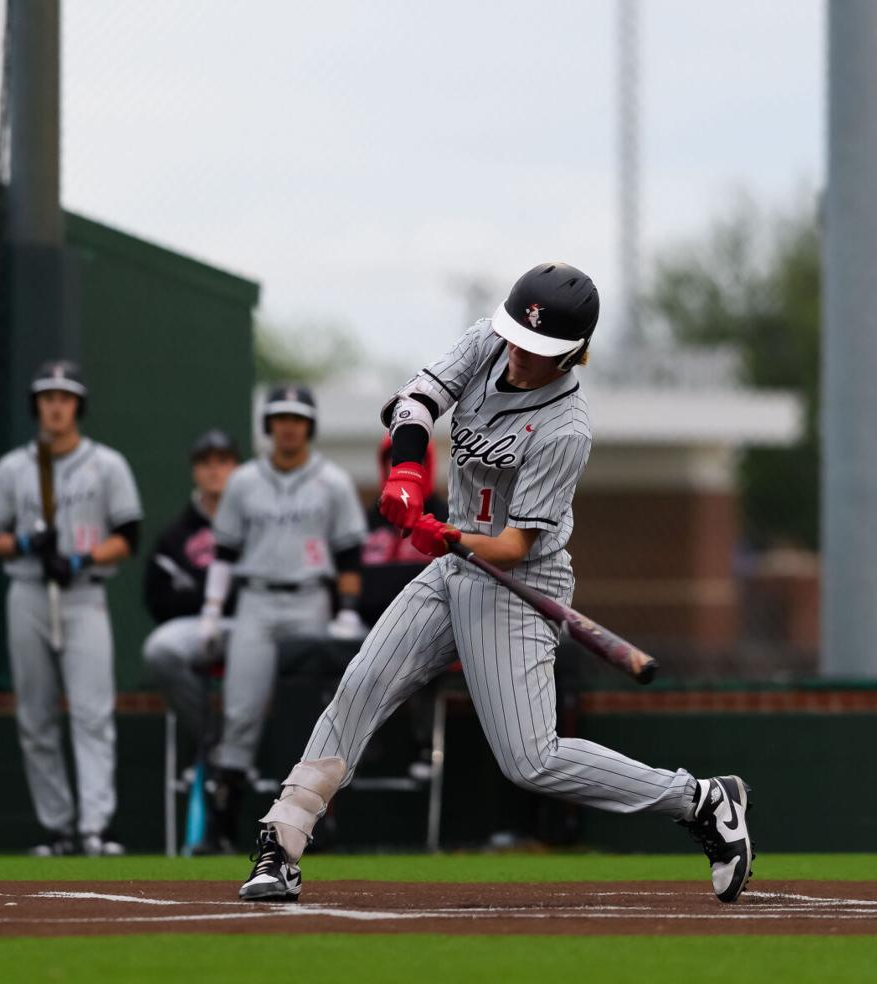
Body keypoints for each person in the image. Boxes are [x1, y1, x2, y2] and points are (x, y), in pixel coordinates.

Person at [237, 262, 754, 905]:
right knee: (362, 682)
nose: (518, 354)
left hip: (516, 583)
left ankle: (700, 799)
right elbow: (417, 401)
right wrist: (405, 475)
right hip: (452, 566)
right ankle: (281, 840)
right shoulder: (489, 338)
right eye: (516, 337)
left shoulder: (566, 428)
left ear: (572, 355)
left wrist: (444, 535)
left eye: (537, 350)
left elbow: (512, 546)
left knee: (529, 760)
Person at [0, 360, 143, 856]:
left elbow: (128, 536)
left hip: (84, 592)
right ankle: (60, 828)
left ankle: (93, 827)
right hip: (27, 591)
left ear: (78, 406)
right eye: (47, 397)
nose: (55, 406)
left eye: (64, 397)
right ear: (36, 406)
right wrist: (24, 542)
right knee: (35, 715)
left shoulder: (106, 464)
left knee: (92, 712)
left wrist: (80, 558)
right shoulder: (14, 467)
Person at [197, 385, 368, 853]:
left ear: (308, 426)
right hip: (255, 600)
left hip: (309, 598)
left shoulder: (331, 480)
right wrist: (213, 610)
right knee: (240, 711)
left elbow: (349, 555)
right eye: (280, 418)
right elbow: (225, 552)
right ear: (269, 424)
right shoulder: (244, 480)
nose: (288, 426)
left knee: (310, 716)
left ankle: (313, 822)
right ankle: (222, 827)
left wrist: (347, 611)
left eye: (296, 418)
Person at [141, 429, 242, 849]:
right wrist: (200, 605)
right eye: (206, 462)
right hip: (196, 627)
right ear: (195, 471)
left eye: (223, 461)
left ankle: (237, 748)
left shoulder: (256, 517)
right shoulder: (177, 533)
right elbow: (158, 596)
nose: (215, 469)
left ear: (236, 467)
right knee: (160, 649)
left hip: (251, 624)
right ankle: (209, 739)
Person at [359, 434, 448, 782]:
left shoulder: (445, 514)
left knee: (424, 650)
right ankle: (360, 740)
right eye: (392, 461)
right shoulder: (371, 519)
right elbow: (359, 582)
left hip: (428, 628)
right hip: (371, 626)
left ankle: (424, 744)